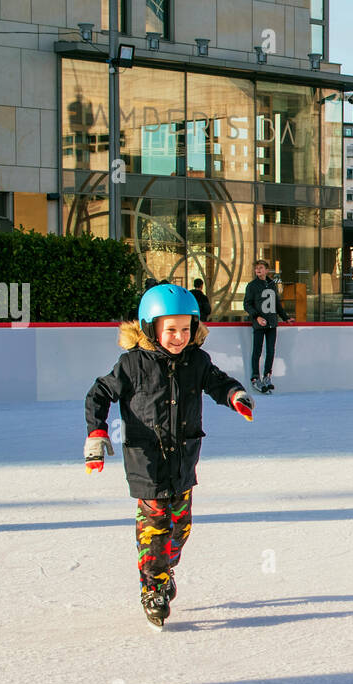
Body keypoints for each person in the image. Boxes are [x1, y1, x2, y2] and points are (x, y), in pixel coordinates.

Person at [83, 283, 254, 630]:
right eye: (170, 329)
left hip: (183, 461)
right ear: (150, 327)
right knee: (154, 530)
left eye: (185, 329)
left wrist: (235, 394)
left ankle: (164, 569)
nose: (178, 337)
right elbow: (98, 393)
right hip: (146, 464)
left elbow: (218, 382)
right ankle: (154, 589)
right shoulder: (131, 364)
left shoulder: (197, 360)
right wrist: (96, 432)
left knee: (181, 528)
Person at [243, 259, 288, 394]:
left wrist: (285, 317)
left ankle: (267, 375)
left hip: (272, 323)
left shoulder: (272, 284)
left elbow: (277, 304)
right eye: (256, 268)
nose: (258, 270)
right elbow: (247, 304)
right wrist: (257, 317)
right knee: (257, 350)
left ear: (267, 270)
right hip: (259, 324)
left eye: (261, 268)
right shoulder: (252, 286)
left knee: (270, 350)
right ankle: (255, 377)